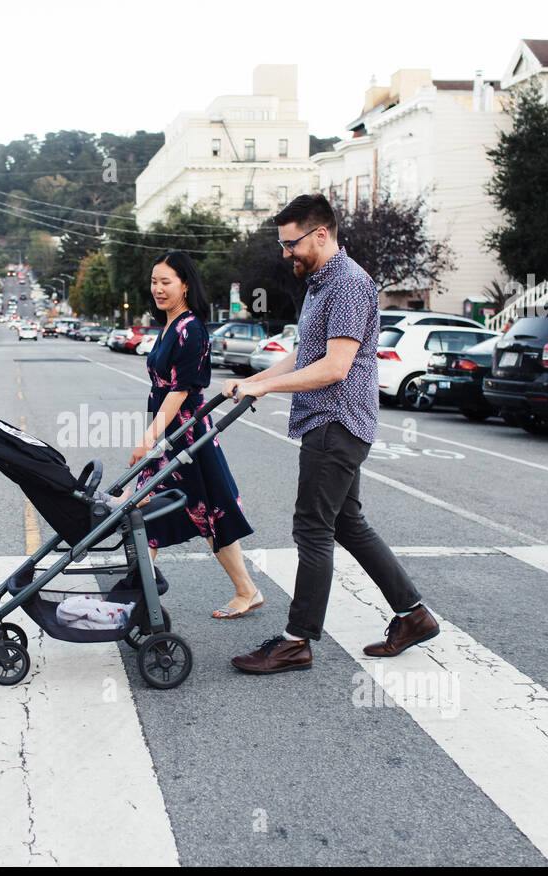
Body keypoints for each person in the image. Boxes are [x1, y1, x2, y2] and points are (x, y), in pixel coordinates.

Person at [223, 193, 439, 673]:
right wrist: (253, 383)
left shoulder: (347, 284)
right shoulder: (321, 283)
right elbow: (306, 355)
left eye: (291, 243)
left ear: (320, 234)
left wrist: (267, 386)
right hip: (333, 421)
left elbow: (335, 367)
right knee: (346, 523)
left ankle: (296, 641)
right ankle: (414, 615)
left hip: (335, 422)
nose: (286, 254)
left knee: (312, 529)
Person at [129, 250, 263, 619]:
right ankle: (244, 589)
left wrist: (149, 438)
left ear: (185, 285)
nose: (157, 288)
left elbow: (181, 390)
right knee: (176, 510)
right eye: (154, 281)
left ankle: (135, 597)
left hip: (184, 436)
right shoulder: (170, 325)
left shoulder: (192, 329)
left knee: (190, 510)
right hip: (171, 433)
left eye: (166, 282)